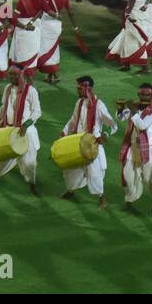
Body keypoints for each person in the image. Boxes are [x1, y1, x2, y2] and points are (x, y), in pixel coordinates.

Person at [59, 74, 116, 207]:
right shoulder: (79, 102)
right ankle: (70, 190)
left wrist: (106, 134)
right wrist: (64, 131)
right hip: (77, 143)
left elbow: (113, 125)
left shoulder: (99, 105)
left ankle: (102, 197)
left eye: (79, 88)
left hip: (92, 145)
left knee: (94, 174)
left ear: (87, 88)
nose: (77, 90)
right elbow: (73, 121)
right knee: (70, 168)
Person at [0, 65, 41, 194]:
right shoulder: (8, 88)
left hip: (25, 132)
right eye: (10, 74)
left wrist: (26, 125)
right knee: (1, 157)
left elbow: (37, 112)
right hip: (8, 130)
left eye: (15, 74)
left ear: (22, 74)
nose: (12, 77)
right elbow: (4, 107)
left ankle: (32, 184)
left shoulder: (31, 91)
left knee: (29, 162)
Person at [117, 83, 152, 214]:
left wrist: (133, 111)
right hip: (132, 148)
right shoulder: (135, 107)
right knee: (128, 176)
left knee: (150, 179)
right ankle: (129, 201)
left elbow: (142, 125)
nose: (143, 97)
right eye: (141, 94)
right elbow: (121, 117)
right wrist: (120, 109)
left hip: (149, 150)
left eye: (147, 95)